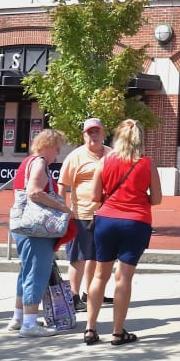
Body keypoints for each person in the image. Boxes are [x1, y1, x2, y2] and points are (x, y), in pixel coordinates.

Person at [85, 118, 160, 346]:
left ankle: (90, 328)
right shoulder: (147, 163)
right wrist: (138, 197)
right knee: (123, 278)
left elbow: (94, 196)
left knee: (100, 275)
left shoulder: (105, 161)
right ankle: (118, 332)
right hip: (136, 221)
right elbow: (156, 198)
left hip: (107, 219)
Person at [8, 129, 70, 337]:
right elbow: (34, 191)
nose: (57, 154)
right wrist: (62, 207)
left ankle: (19, 317)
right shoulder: (40, 162)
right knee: (36, 271)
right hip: (35, 229)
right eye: (57, 149)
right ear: (48, 145)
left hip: (21, 225)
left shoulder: (27, 161)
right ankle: (30, 323)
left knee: (25, 271)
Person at [59, 117, 109, 312]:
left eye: (96, 131)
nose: (93, 135)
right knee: (78, 258)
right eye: (89, 132)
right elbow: (63, 185)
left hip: (105, 215)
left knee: (97, 257)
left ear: (103, 133)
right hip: (81, 214)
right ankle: (73, 295)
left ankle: (92, 292)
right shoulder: (76, 156)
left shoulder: (112, 155)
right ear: (84, 135)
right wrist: (65, 210)